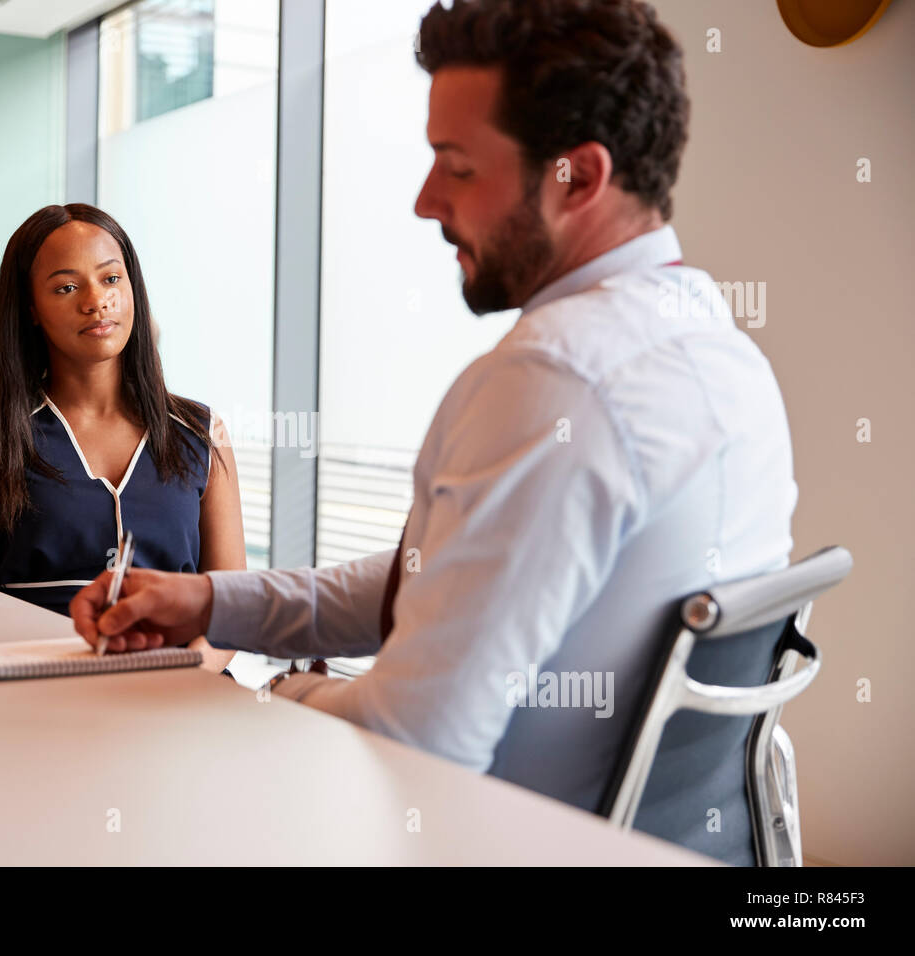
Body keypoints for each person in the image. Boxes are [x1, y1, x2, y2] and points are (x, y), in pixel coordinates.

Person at [68, 0, 797, 864]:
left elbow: (411, 744)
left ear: (578, 178)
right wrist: (215, 603)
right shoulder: (721, 351)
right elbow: (451, 578)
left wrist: (257, 686)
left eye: (455, 167)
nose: (424, 202)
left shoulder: (553, 381)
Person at [0, 203, 246, 674]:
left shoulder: (203, 433)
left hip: (185, 697)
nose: (96, 301)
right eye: (66, 287)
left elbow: (231, 610)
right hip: (37, 695)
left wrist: (183, 677)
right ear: (31, 309)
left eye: (111, 279)